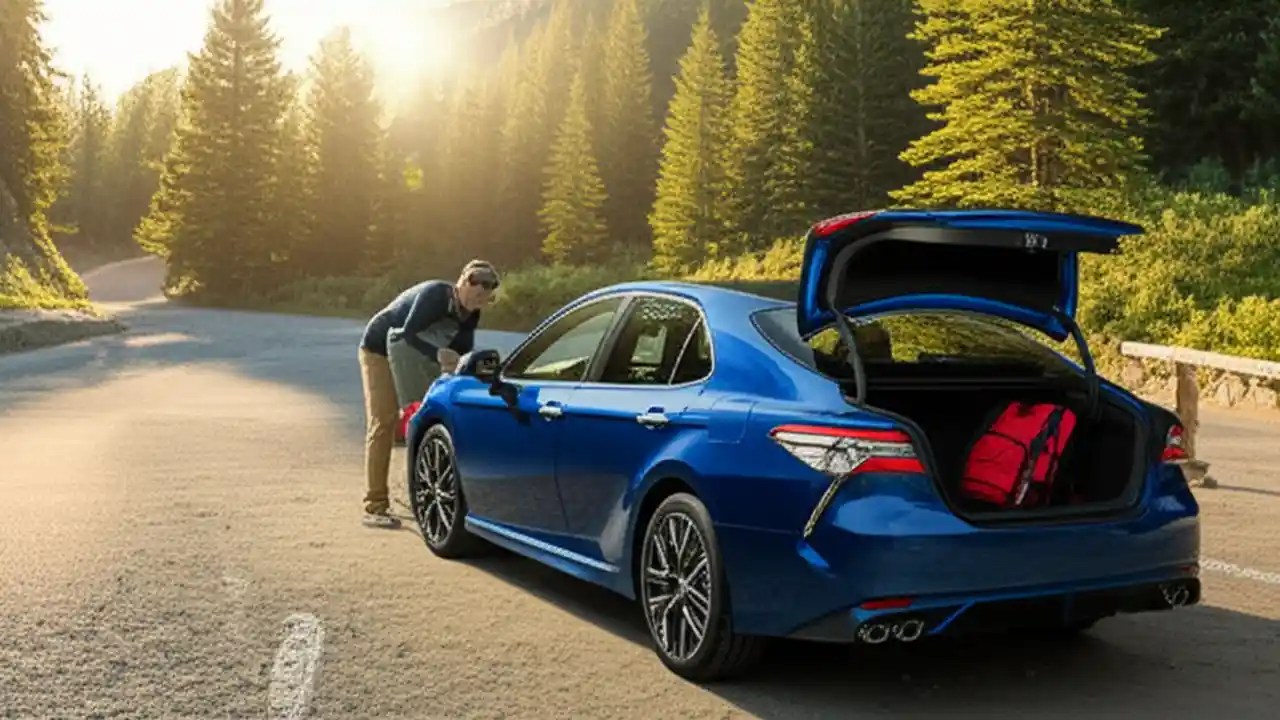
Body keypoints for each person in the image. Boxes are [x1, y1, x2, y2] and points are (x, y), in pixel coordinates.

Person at [357, 259, 500, 528]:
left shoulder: (471, 314)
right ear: (461, 281)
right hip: (379, 348)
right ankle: (374, 505)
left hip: (418, 353)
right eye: (474, 282)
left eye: (487, 288)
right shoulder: (435, 295)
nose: (480, 291)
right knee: (384, 420)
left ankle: (416, 493)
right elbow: (407, 335)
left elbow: (461, 354)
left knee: (428, 418)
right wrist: (438, 355)